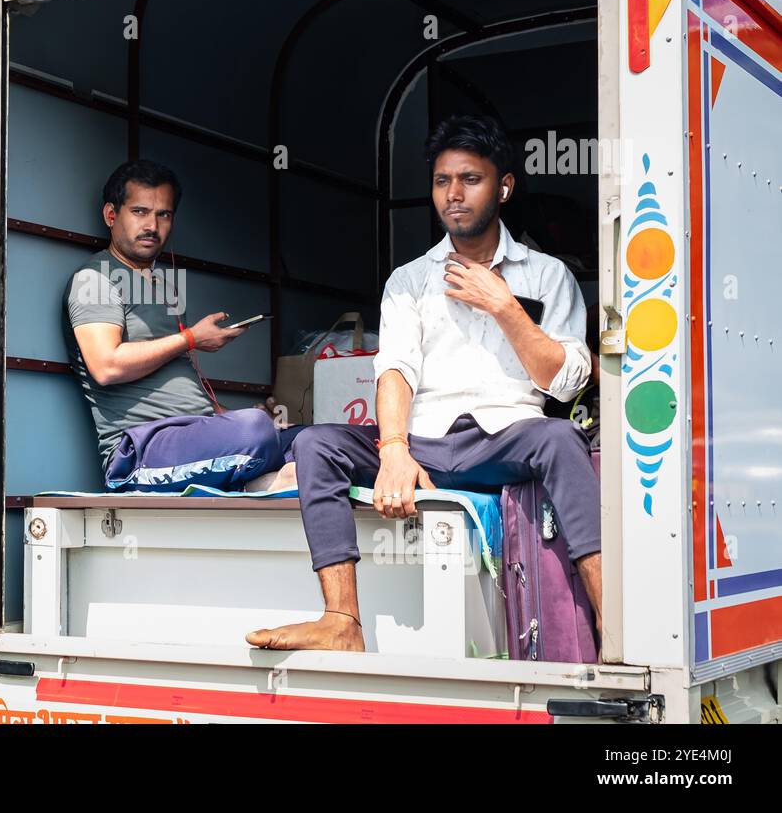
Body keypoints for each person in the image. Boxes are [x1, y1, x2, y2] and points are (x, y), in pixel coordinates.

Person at [247, 115, 601, 652]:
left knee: (562, 439)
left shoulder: (547, 275)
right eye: (442, 181)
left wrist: (504, 307)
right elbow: (396, 370)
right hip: (426, 446)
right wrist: (393, 449)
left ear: (504, 187)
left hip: (507, 438)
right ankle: (342, 620)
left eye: (471, 180)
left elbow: (565, 383)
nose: (453, 194)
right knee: (315, 441)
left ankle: (615, 621)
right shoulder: (411, 279)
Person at [64, 159, 303, 492]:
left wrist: (230, 415)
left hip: (195, 433)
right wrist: (191, 338)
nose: (152, 225)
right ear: (111, 215)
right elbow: (106, 366)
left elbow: (183, 385)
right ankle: (259, 477)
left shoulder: (165, 287)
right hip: (142, 450)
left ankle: (263, 474)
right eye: (139, 212)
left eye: (163, 214)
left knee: (309, 438)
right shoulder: (96, 279)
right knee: (254, 430)